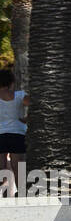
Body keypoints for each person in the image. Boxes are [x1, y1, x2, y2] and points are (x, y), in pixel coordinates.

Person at [0, 69, 27, 197]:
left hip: (0, 134)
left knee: (2, 166)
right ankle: (21, 195)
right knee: (18, 167)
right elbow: (36, 104)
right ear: (11, 82)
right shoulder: (20, 96)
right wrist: (27, 119)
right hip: (17, 133)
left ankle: (3, 194)